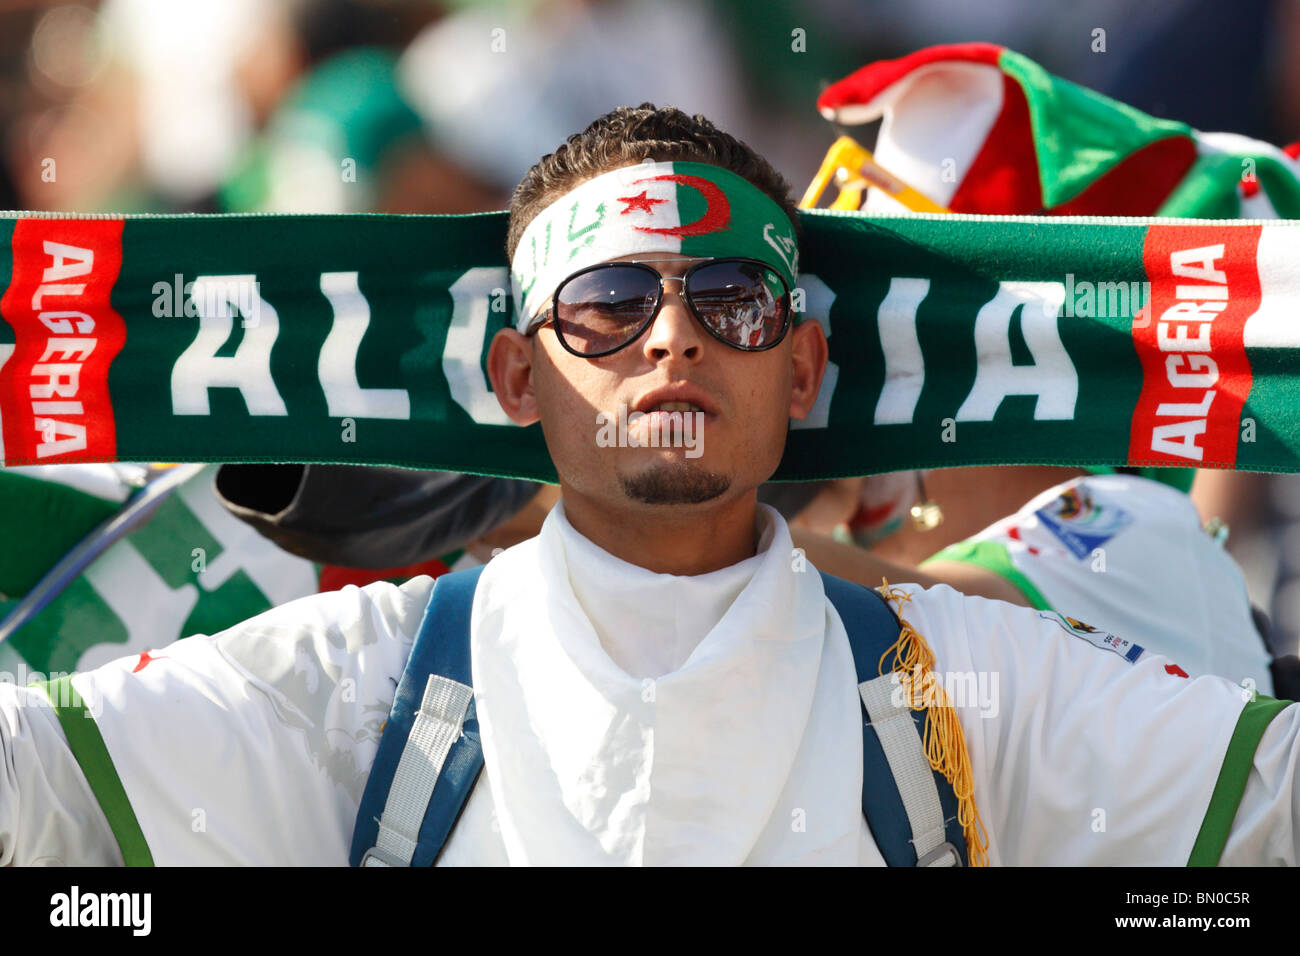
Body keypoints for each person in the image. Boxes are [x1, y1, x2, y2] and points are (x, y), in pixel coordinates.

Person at [2, 104, 1299, 866]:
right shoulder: (353, 683)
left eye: (731, 300)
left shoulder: (980, 684)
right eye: (609, 305)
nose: (673, 336)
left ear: (805, 370)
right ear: (518, 377)